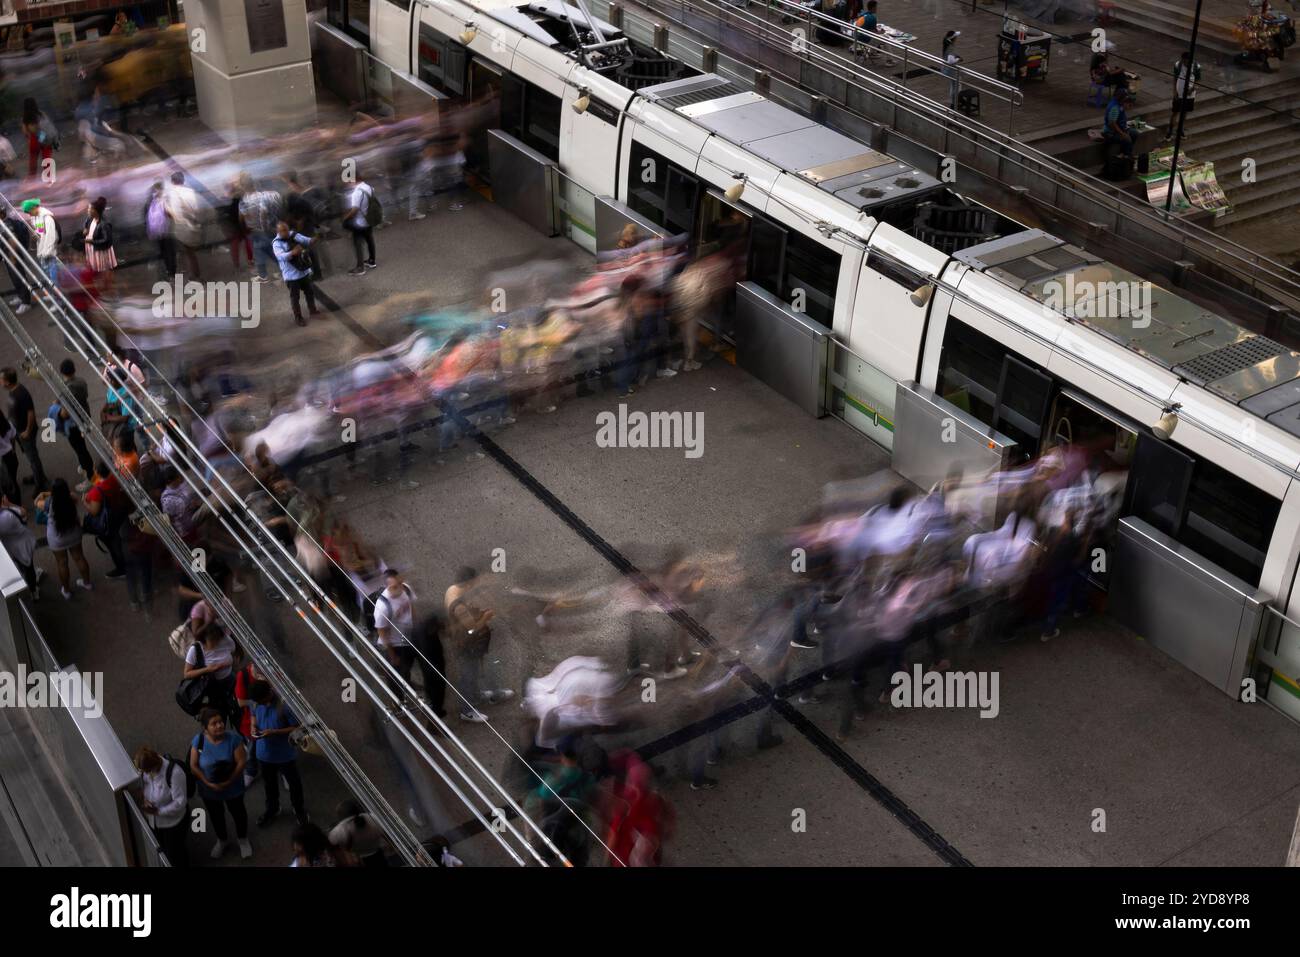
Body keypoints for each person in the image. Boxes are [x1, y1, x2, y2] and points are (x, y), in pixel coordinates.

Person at [446, 566, 513, 722]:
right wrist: (486, 617)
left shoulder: (454, 592)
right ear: (468, 582)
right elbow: (472, 629)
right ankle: (467, 710)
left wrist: (478, 613)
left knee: (475, 672)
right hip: (467, 646)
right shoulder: (460, 606)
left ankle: (479, 695)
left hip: (469, 644)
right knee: (468, 676)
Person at [189, 708, 252, 859]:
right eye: (214, 723)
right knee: (216, 815)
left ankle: (243, 840)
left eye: (220, 722)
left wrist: (229, 781)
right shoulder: (199, 740)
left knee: (238, 813)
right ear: (205, 728)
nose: (219, 725)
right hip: (209, 790)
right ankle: (222, 840)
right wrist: (208, 783)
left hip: (233, 788)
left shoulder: (233, 739)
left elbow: (241, 762)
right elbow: (193, 765)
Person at [249, 680, 308, 827]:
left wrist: (274, 732)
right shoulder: (257, 701)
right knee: (269, 785)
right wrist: (253, 726)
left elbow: (297, 727)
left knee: (294, 784)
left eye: (261, 701)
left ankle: (299, 809)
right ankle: (273, 809)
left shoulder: (285, 705)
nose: (259, 704)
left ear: (268, 693)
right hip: (264, 754)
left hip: (285, 755)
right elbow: (253, 714)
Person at [34, 479, 92, 599]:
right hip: (74, 533)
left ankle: (66, 590)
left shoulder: (49, 503)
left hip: (57, 538)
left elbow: (36, 502)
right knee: (79, 557)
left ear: (53, 491)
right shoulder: (71, 498)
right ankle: (87, 583)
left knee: (62, 563)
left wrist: (43, 494)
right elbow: (72, 496)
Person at [134, 746, 189, 867]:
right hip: (154, 822)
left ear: (153, 766)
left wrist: (158, 811)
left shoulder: (174, 773)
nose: (144, 774)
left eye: (147, 771)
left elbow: (180, 802)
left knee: (174, 854)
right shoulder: (144, 771)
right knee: (161, 848)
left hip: (172, 824)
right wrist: (144, 799)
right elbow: (141, 785)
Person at [1, 367, 47, 494]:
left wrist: (27, 431)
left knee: (33, 458)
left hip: (25, 432)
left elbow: (30, 413)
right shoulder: (12, 391)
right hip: (18, 432)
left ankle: (40, 484)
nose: (0, 381)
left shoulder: (21, 393)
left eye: (1, 379)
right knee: (29, 456)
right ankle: (38, 476)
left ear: (7, 382)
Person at [82, 459, 128, 578]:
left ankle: (121, 569)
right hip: (118, 511)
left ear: (97, 472)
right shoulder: (114, 479)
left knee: (113, 544)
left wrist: (85, 503)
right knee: (117, 538)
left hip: (108, 520)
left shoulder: (96, 492)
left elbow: (94, 511)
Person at [272, 220, 321, 327]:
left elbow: (307, 241)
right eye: (283, 230)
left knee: (310, 292)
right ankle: (298, 317)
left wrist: (317, 237)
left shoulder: (293, 235)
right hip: (291, 276)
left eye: (286, 229)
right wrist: (292, 252)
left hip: (303, 271)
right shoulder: (276, 243)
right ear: (278, 231)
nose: (286, 232)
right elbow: (280, 256)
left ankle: (312, 310)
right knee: (295, 297)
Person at [374, 568, 417, 689]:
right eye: (394, 586)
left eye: (399, 584)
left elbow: (412, 608)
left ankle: (407, 684)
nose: (398, 588)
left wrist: (415, 628)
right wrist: (392, 655)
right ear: (387, 586)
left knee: (407, 667)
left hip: (407, 639)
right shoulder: (382, 606)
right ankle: (397, 702)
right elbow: (382, 632)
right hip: (394, 645)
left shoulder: (406, 589)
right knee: (394, 675)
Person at [56, 359, 94, 490]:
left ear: (62, 372)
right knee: (82, 446)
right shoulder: (81, 381)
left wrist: (57, 412)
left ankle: (89, 476)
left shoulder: (67, 388)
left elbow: (64, 414)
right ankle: (85, 467)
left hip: (74, 423)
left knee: (80, 449)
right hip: (84, 416)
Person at [238, 174, 282, 283]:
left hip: (255, 230)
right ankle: (281, 271)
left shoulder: (244, 200)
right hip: (268, 228)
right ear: (253, 183)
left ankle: (263, 276)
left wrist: (244, 227)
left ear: (243, 186)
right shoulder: (263, 195)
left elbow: (242, 217)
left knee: (259, 253)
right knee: (269, 250)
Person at [164, 171, 203, 279]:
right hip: (191, 225)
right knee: (191, 253)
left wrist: (167, 209)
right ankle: (196, 275)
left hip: (180, 228)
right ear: (183, 180)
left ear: (172, 182)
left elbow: (174, 214)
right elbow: (196, 209)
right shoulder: (190, 191)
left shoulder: (172, 194)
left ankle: (191, 277)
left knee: (183, 253)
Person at [0, 493, 40, 596]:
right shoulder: (9, 514)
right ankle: (33, 590)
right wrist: (9, 504)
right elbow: (23, 512)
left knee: (21, 566)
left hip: (9, 547)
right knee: (28, 567)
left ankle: (29, 583)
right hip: (23, 544)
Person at [329, 799, 389, 866]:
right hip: (379, 855)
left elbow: (333, 845)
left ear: (341, 815)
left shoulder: (339, 831)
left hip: (358, 861)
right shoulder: (373, 817)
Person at [343, 176, 378, 275]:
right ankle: (372, 261)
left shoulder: (356, 193)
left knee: (357, 243)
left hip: (359, 223)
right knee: (369, 239)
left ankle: (360, 268)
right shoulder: (368, 187)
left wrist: (345, 218)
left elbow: (354, 210)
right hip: (369, 219)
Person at [80, 196, 117, 288]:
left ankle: (109, 287)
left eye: (89, 209)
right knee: (98, 269)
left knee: (105, 269)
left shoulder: (104, 223)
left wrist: (91, 241)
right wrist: (85, 228)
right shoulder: (91, 218)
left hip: (101, 250)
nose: (87, 210)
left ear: (95, 211)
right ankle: (103, 286)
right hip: (94, 249)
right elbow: (86, 222)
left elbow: (107, 240)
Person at [3, 207, 33, 314]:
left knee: (19, 276)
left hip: (13, 255)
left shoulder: (7, 224)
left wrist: (13, 257)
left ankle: (26, 302)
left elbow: (12, 240)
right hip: (9, 255)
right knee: (14, 277)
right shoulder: (4, 223)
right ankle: (20, 297)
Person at [22, 199, 59, 286]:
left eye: (29, 211)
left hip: (49, 251)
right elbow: (41, 231)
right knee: (47, 276)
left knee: (53, 277)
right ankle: (52, 294)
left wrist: (48, 251)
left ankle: (58, 297)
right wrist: (37, 234)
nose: (29, 214)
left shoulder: (47, 217)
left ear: (34, 208)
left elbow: (51, 236)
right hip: (43, 251)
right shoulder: (38, 217)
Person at [143, 180, 175, 277]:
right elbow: (171, 214)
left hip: (155, 232)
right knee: (169, 251)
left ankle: (165, 271)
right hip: (166, 230)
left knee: (163, 251)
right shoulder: (165, 200)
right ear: (162, 189)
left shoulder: (149, 202)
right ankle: (171, 272)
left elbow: (145, 216)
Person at [1167, 51, 1202, 139]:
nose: (1185, 63)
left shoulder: (1196, 66)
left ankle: (1180, 129)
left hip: (1190, 94)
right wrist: (1175, 92)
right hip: (1179, 93)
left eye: (1187, 61)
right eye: (1184, 61)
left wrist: (1193, 89)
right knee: (1175, 112)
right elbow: (1175, 78)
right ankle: (1170, 131)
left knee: (1185, 112)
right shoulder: (1178, 65)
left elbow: (1198, 80)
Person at [20, 98, 55, 177]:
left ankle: (32, 180)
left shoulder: (25, 118)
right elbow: (48, 126)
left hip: (34, 139)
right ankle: (49, 179)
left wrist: (29, 137)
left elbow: (25, 132)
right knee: (47, 159)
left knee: (33, 161)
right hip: (43, 136)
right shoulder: (41, 114)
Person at [1104, 78, 1135, 159]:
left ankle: (1124, 152)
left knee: (1134, 133)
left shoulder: (1120, 105)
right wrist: (1123, 134)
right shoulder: (1114, 107)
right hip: (1110, 133)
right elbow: (1112, 123)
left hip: (1120, 128)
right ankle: (1127, 156)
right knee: (1127, 139)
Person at [0, 410, 18, 504]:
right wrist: (13, 450)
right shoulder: (8, 424)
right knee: (13, 481)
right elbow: (13, 438)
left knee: (6, 485)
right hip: (11, 456)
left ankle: (12, 504)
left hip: (3, 460)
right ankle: (18, 503)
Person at [942, 30, 963, 109]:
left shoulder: (946, 44)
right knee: (957, 85)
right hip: (951, 70)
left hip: (946, 69)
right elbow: (950, 61)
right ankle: (955, 102)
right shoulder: (951, 47)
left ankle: (953, 101)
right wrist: (958, 59)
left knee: (953, 85)